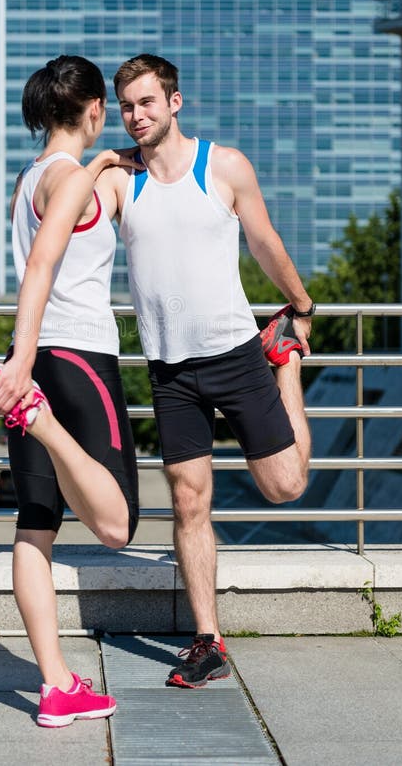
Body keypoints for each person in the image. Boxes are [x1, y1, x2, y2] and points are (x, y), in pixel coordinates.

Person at [95, 53, 312, 689]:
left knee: (285, 486)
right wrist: (101, 162)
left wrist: (299, 309)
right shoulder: (121, 183)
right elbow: (70, 212)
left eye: (147, 103)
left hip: (237, 355)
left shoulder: (224, 166)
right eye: (127, 106)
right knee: (189, 502)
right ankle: (207, 640)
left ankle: (287, 363)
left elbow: (265, 241)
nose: (137, 116)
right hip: (170, 371)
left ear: (175, 102)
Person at [0, 55, 139, 727]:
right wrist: (28, 370)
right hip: (75, 355)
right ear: (94, 107)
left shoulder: (29, 176)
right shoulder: (71, 180)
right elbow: (42, 266)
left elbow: (36, 250)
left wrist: (18, 361)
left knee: (35, 528)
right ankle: (45, 422)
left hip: (32, 359)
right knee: (118, 523)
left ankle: (57, 686)